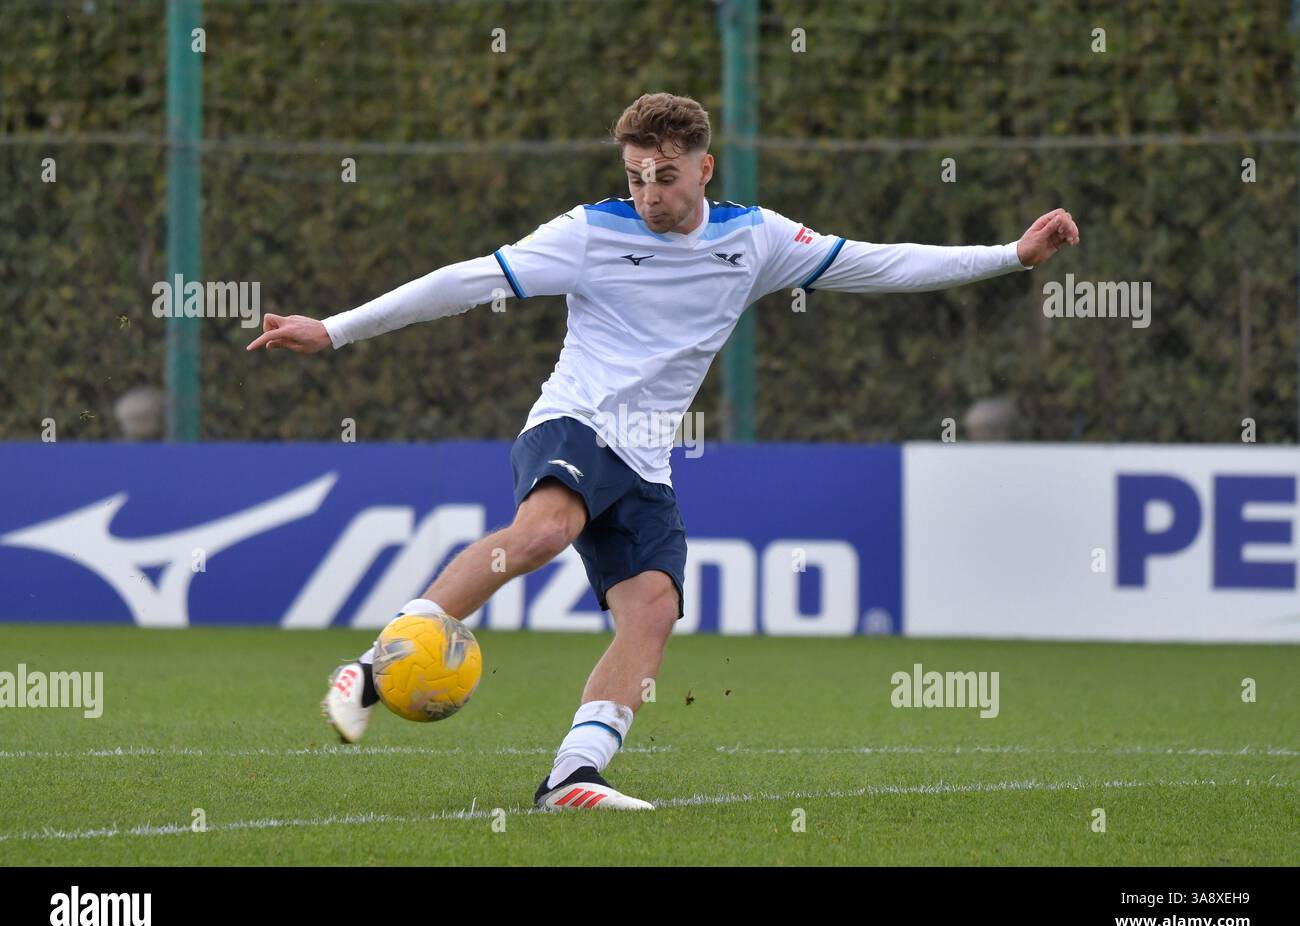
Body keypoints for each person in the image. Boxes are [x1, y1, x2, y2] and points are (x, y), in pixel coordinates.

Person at [246, 91, 1080, 811]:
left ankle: (573, 777)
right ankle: (369, 665)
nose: (647, 191)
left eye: (665, 175)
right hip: (572, 422)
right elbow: (464, 281)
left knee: (652, 611)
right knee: (544, 532)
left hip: (645, 460)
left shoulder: (755, 240)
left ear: (705, 170)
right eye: (635, 174)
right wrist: (336, 329)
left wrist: (1010, 256)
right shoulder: (588, 233)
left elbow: (878, 263)